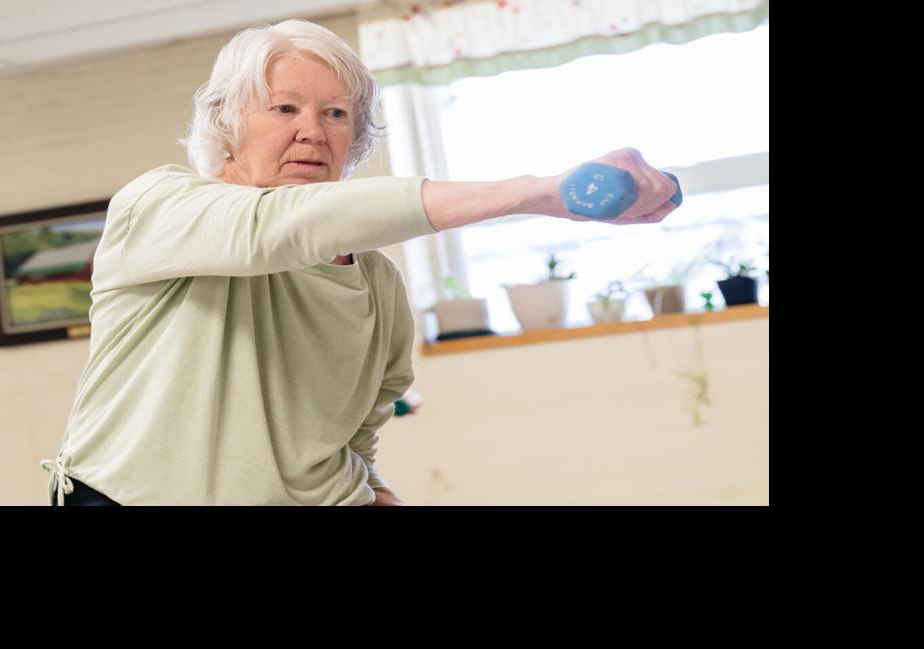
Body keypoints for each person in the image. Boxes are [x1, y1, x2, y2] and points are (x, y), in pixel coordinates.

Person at [42, 19, 679, 505]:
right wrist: (538, 192)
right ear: (226, 121)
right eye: (284, 108)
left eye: (337, 114)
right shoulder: (158, 207)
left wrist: (372, 491)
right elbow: (276, 229)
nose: (313, 131)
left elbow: (360, 431)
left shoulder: (374, 279)